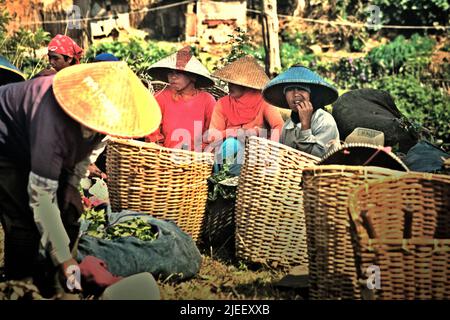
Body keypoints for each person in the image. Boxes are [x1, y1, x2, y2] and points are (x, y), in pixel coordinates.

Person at [0, 61, 160, 296]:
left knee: (70, 209)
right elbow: (41, 199)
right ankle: (20, 283)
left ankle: (59, 283)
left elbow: (87, 151)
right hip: (6, 144)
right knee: (23, 217)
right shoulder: (51, 120)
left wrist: (73, 185)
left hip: (36, 136)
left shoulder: (105, 118)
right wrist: (64, 260)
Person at [208, 55, 284, 173]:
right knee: (231, 144)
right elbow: (212, 136)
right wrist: (234, 132)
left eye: (235, 82)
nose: (230, 85)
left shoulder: (263, 101)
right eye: (229, 81)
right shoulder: (222, 104)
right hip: (226, 152)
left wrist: (268, 144)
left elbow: (279, 125)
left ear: (246, 85)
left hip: (257, 152)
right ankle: (224, 182)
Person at [145, 46, 216, 152]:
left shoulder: (208, 101)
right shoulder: (160, 97)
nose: (173, 77)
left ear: (193, 77)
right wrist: (161, 151)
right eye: (170, 72)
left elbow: (211, 134)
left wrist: (199, 153)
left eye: (178, 73)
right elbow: (152, 132)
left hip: (196, 159)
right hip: (164, 157)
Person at [262, 64, 340, 158]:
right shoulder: (287, 126)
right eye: (290, 89)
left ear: (311, 95)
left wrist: (305, 126)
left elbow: (315, 159)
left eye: (301, 89)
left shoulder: (324, 121)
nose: (295, 94)